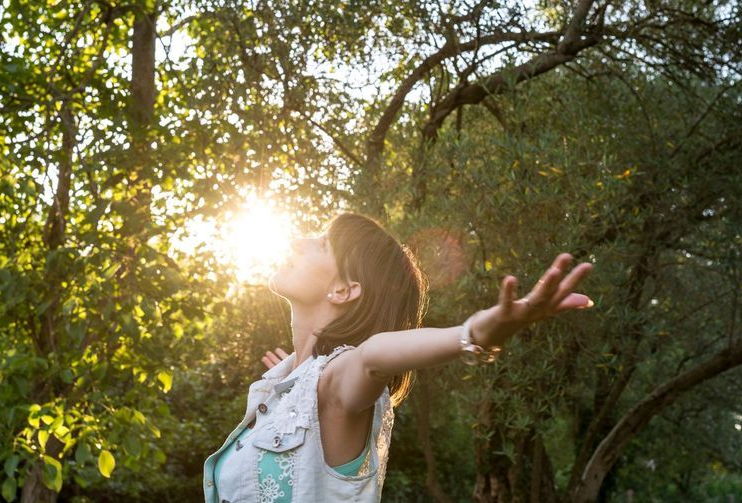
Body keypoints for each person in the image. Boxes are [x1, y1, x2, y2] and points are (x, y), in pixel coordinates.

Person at [202, 213, 593, 502]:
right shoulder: (288, 388)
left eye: (321, 243)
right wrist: (291, 384)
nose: (298, 242)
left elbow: (371, 356)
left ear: (343, 290)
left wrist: (473, 333)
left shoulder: (336, 382)